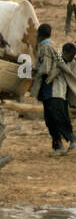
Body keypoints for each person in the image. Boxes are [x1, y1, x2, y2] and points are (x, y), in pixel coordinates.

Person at [35, 24, 73, 156]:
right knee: (52, 117)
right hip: (54, 89)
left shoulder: (45, 48)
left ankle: (70, 141)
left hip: (52, 89)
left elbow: (45, 69)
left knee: (56, 117)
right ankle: (58, 145)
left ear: (39, 35)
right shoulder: (52, 46)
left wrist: (34, 75)